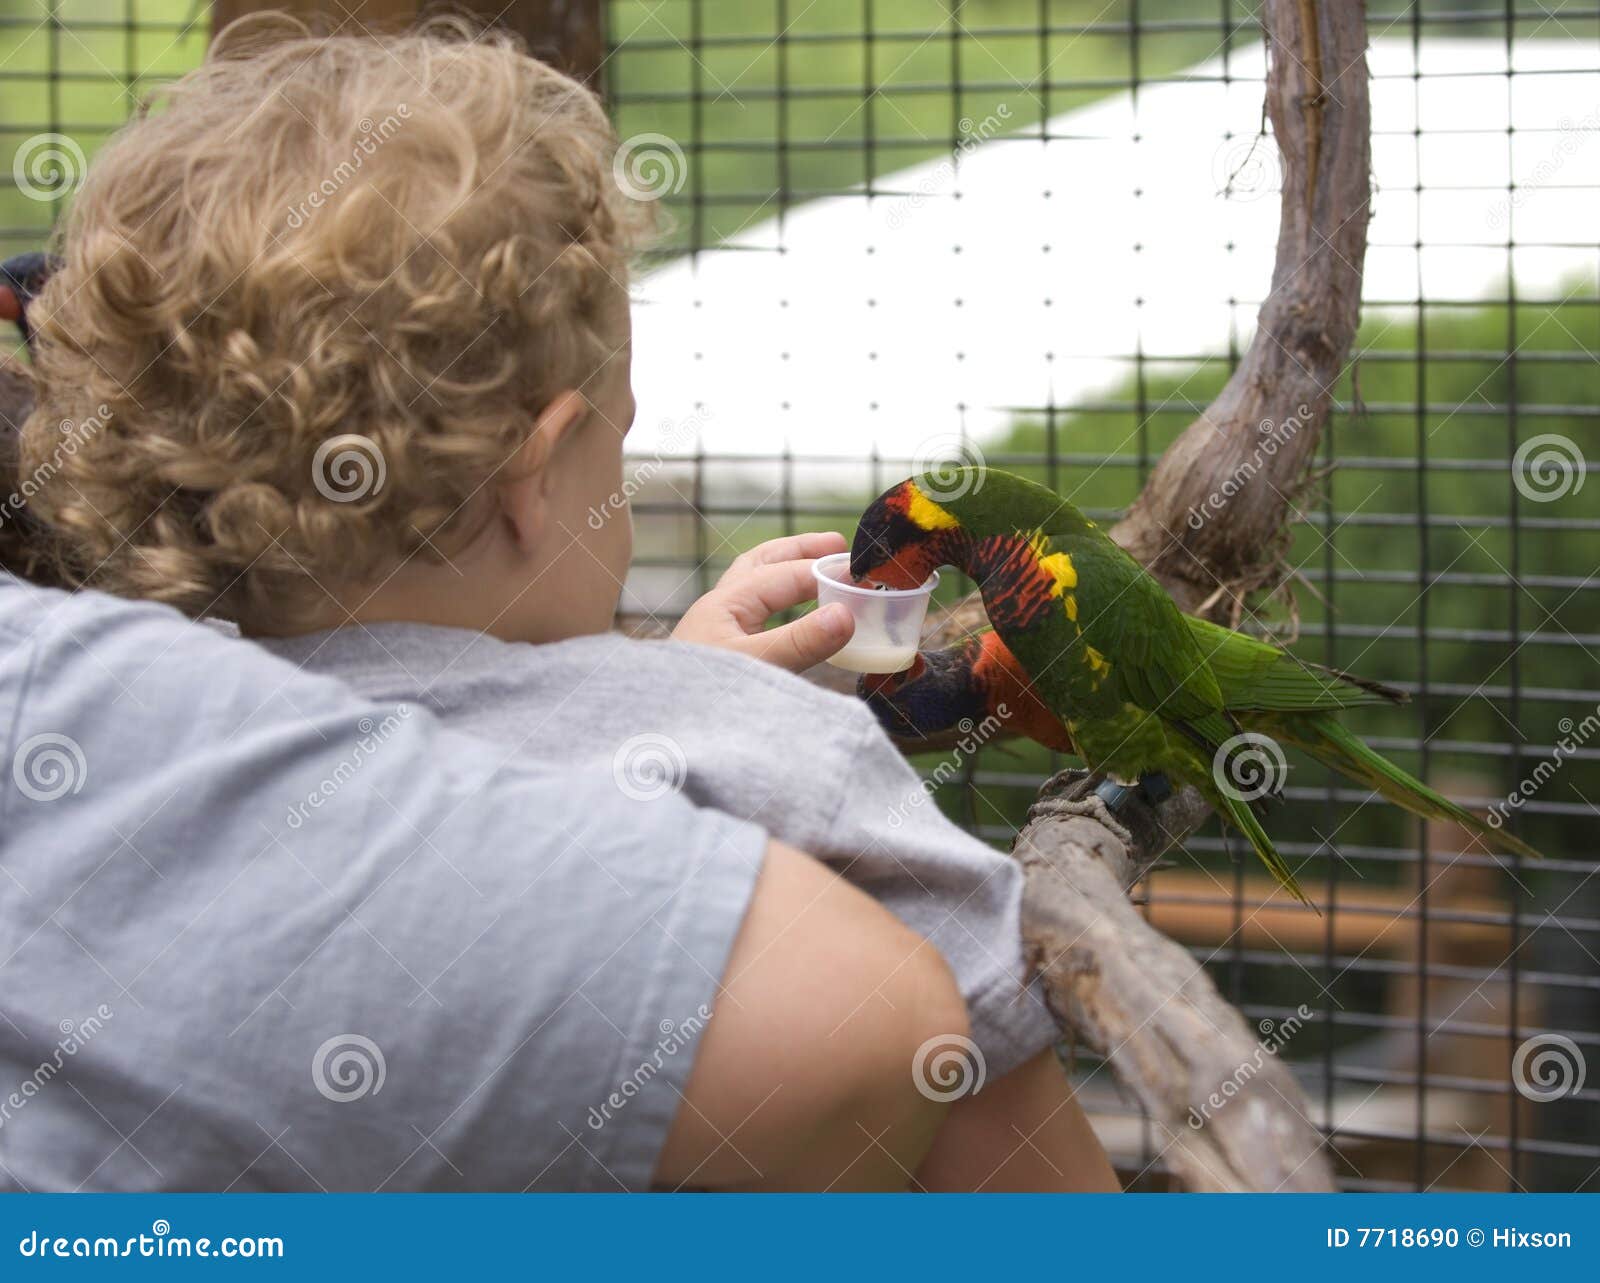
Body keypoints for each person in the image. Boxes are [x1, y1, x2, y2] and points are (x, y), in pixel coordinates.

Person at [5, 16, 1116, 1192]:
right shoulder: (788, 766)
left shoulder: (139, 764)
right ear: (541, 475)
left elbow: (480, 747)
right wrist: (709, 724)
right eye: (618, 442)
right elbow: (1028, 1177)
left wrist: (671, 691)